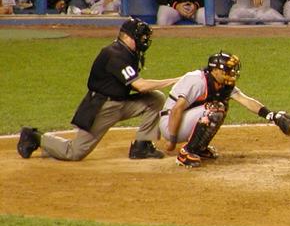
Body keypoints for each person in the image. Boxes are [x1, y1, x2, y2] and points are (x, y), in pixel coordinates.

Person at [17, 18, 180, 162]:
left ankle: (142, 146)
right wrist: (175, 81)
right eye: (141, 36)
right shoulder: (115, 54)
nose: (144, 40)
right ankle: (35, 137)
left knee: (155, 99)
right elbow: (140, 86)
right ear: (127, 36)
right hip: (103, 108)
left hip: (121, 103)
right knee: (74, 152)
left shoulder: (129, 52)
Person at [161, 52, 290, 168]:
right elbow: (177, 109)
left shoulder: (223, 84)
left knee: (222, 106)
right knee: (215, 108)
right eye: (228, 70)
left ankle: (199, 148)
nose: (231, 73)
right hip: (170, 122)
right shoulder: (197, 80)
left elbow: (245, 100)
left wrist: (272, 115)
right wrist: (172, 140)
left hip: (184, 119)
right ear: (215, 71)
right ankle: (186, 153)